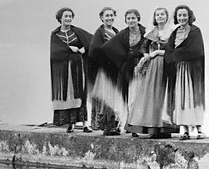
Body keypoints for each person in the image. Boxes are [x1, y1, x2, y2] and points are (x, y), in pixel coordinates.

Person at [126, 6, 175, 138]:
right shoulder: (150, 33)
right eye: (157, 14)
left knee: (162, 95)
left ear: (167, 17)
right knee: (150, 94)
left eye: (162, 14)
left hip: (166, 64)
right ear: (154, 17)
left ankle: (163, 128)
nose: (159, 17)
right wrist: (147, 56)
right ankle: (151, 127)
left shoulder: (172, 32)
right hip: (153, 66)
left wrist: (158, 52)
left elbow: (174, 51)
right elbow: (143, 48)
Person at [99, 8, 147, 130]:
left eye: (133, 18)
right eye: (128, 19)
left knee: (138, 96)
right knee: (127, 97)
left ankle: (138, 126)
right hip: (127, 68)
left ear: (138, 19)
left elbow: (148, 47)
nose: (131, 21)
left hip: (141, 67)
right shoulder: (123, 33)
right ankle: (127, 125)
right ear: (126, 20)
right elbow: (107, 47)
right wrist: (120, 59)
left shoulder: (145, 32)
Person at [164, 4, 205, 140]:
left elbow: (196, 50)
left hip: (192, 71)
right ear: (176, 17)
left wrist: (178, 53)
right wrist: (178, 54)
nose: (182, 18)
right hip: (179, 70)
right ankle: (185, 130)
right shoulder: (175, 32)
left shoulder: (195, 31)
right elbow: (168, 51)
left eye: (184, 15)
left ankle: (199, 129)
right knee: (182, 98)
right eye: (179, 15)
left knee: (193, 98)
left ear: (189, 16)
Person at [49, 7, 92, 133]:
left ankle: (85, 124)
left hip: (78, 67)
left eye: (70, 16)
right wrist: (69, 49)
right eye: (65, 16)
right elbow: (55, 52)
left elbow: (92, 41)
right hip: (64, 70)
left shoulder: (77, 31)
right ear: (60, 18)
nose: (68, 18)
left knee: (81, 95)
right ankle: (71, 123)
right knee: (69, 96)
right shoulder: (55, 35)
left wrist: (85, 48)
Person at [87, 7, 123, 135]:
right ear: (102, 18)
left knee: (114, 97)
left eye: (112, 15)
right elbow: (94, 50)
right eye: (107, 16)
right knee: (106, 98)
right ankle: (106, 126)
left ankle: (114, 124)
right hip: (104, 70)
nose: (109, 18)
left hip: (115, 69)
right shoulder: (100, 33)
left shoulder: (116, 31)